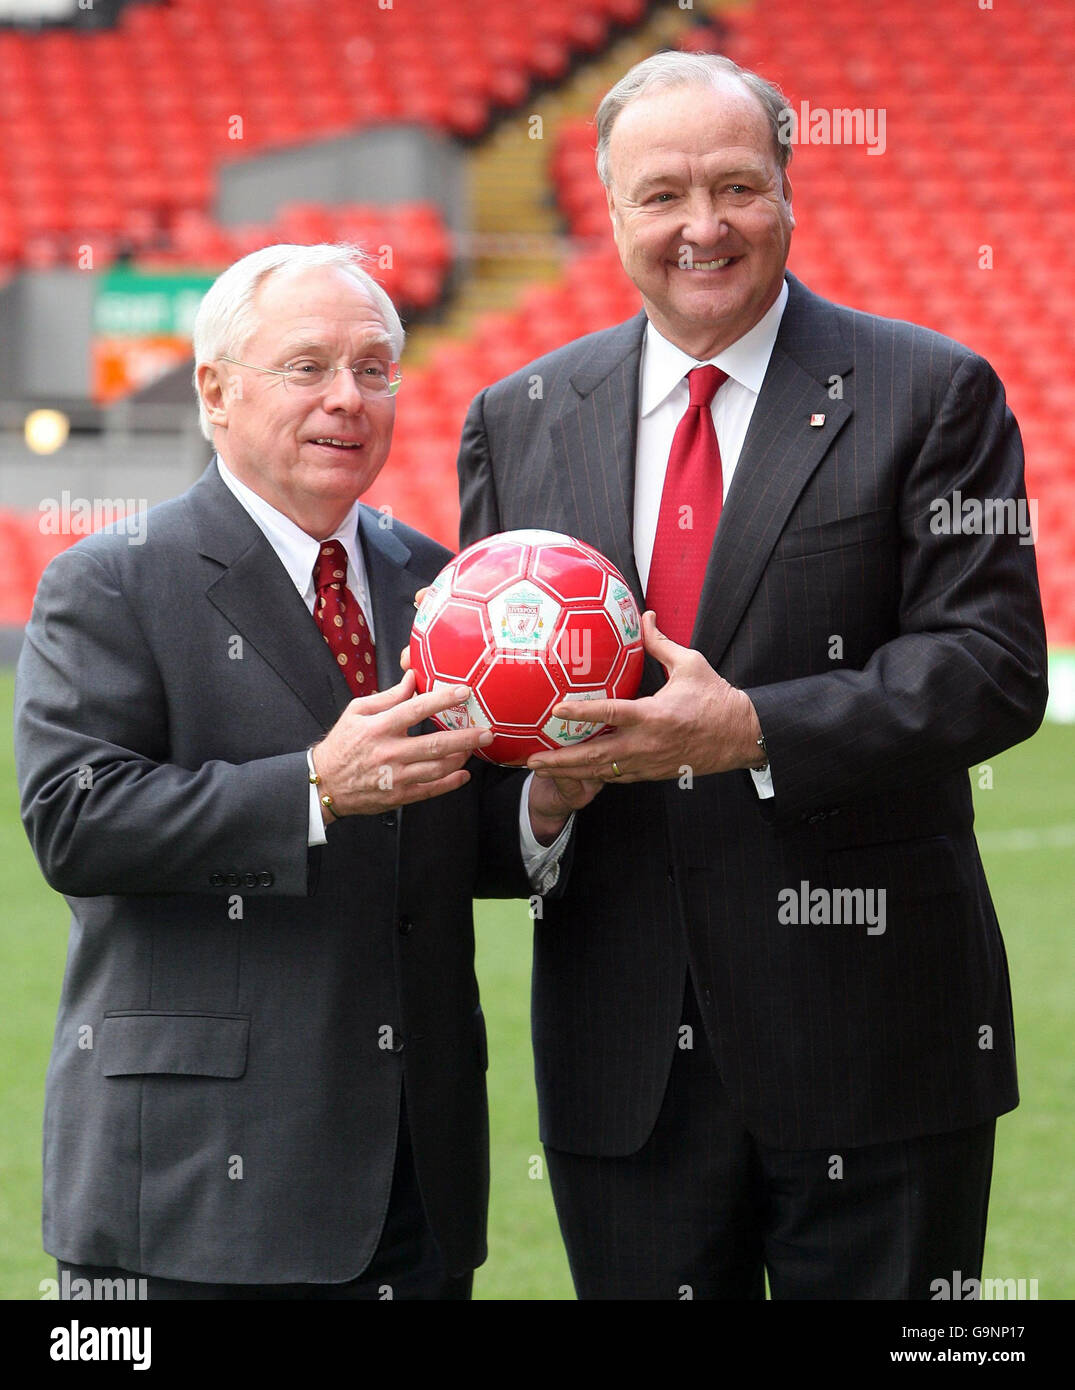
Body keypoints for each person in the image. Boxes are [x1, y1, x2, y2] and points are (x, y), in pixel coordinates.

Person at [456, 53, 1048, 1299]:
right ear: (609, 212)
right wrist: (536, 804)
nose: (702, 226)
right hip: (622, 1061)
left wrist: (749, 730)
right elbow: (488, 722)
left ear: (789, 191)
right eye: (660, 194)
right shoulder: (518, 415)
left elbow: (992, 668)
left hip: (876, 1043)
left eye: (737, 186)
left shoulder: (931, 390)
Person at [15, 243, 586, 1300]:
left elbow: (433, 835)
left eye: (373, 368)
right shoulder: (110, 580)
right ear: (215, 391)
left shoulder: (434, 580)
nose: (347, 398)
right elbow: (73, 822)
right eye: (307, 366)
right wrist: (312, 787)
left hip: (417, 1181)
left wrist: (543, 804)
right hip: (194, 1189)